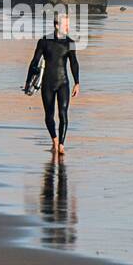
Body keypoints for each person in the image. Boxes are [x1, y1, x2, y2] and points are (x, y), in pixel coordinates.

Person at [26, 11, 80, 157]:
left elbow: (74, 63)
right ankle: (54, 140)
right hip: (48, 84)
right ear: (57, 25)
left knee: (63, 114)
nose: (68, 27)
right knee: (49, 115)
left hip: (63, 82)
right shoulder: (44, 41)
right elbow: (34, 62)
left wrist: (77, 82)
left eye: (69, 24)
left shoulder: (70, 43)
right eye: (66, 24)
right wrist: (28, 82)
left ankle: (61, 145)